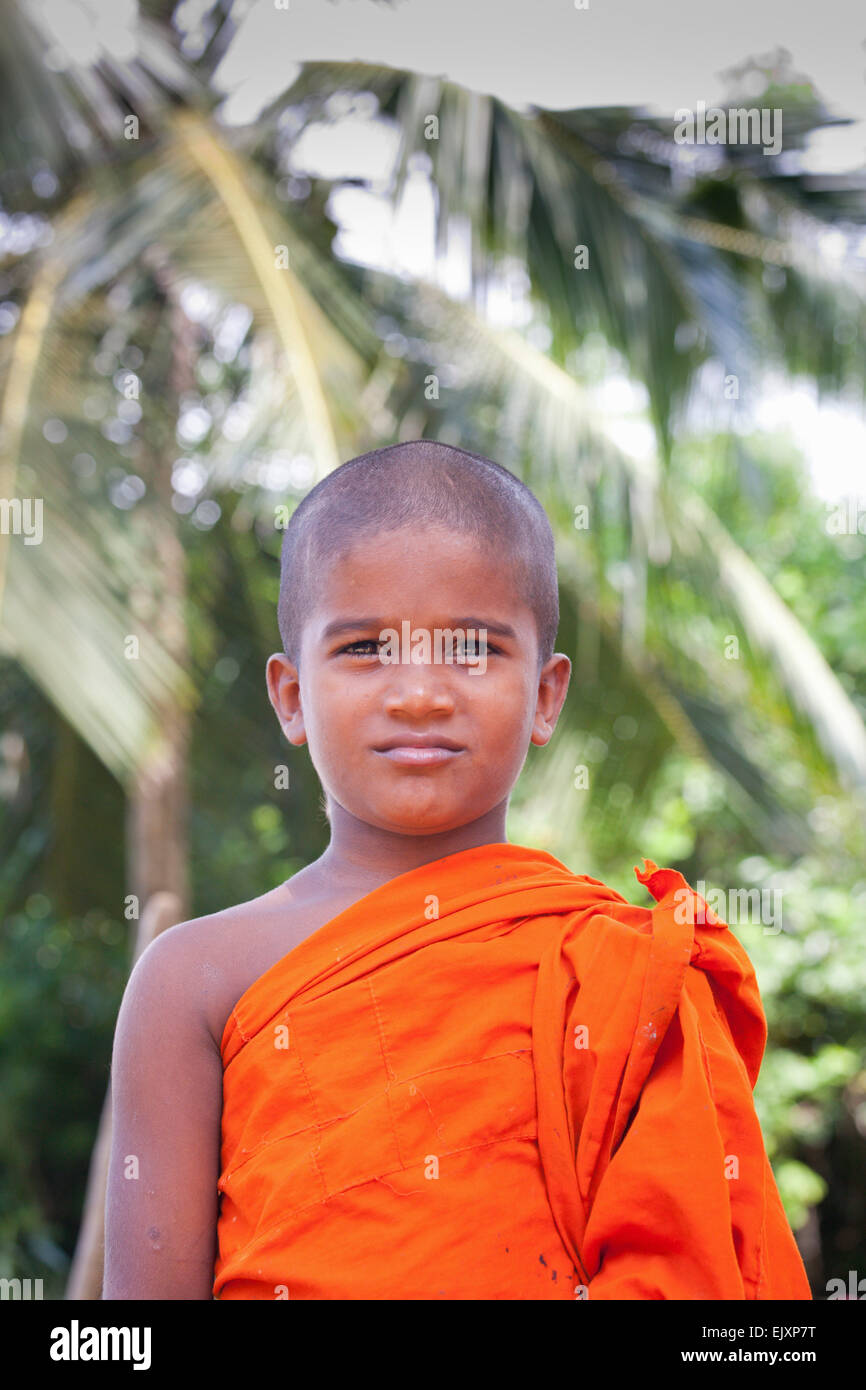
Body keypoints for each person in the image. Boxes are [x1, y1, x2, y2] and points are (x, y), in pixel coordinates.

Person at [103, 439, 811, 1300]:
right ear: (291, 695)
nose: (420, 693)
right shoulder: (194, 978)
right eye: (364, 648)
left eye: (473, 647)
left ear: (546, 695)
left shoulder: (622, 972)